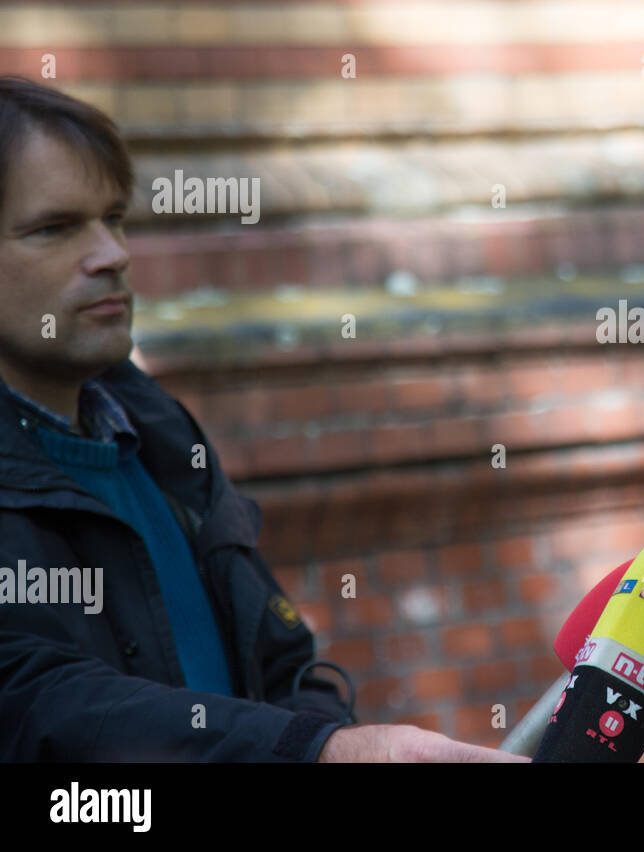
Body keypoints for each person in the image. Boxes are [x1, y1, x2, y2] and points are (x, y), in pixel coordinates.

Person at [0, 76, 522, 762]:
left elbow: (282, 663)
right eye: (55, 228)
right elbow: (41, 705)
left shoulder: (160, 438)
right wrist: (317, 753)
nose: (113, 254)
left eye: (115, 218)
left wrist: (327, 740)